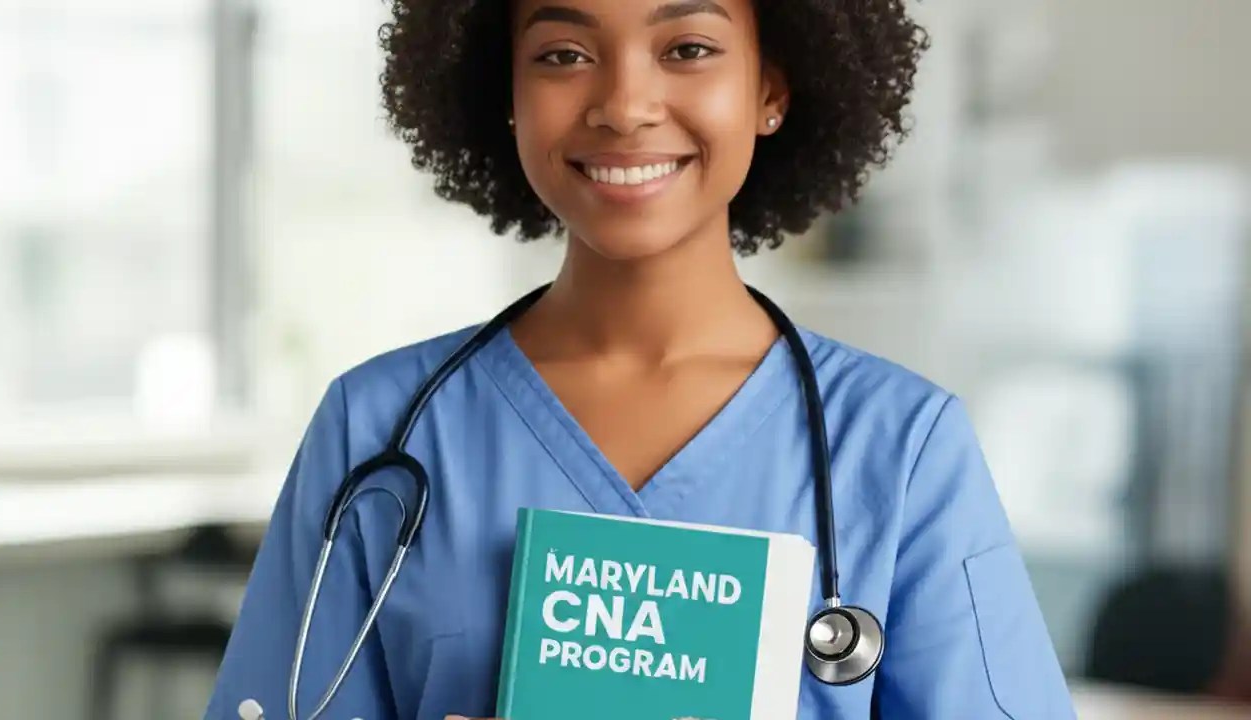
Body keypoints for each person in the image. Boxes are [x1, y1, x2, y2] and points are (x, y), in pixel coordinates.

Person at [206, 0, 1076, 717]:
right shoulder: (379, 428)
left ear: (771, 88)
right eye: (561, 54)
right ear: (502, 90)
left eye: (688, 48)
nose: (624, 104)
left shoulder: (901, 447)